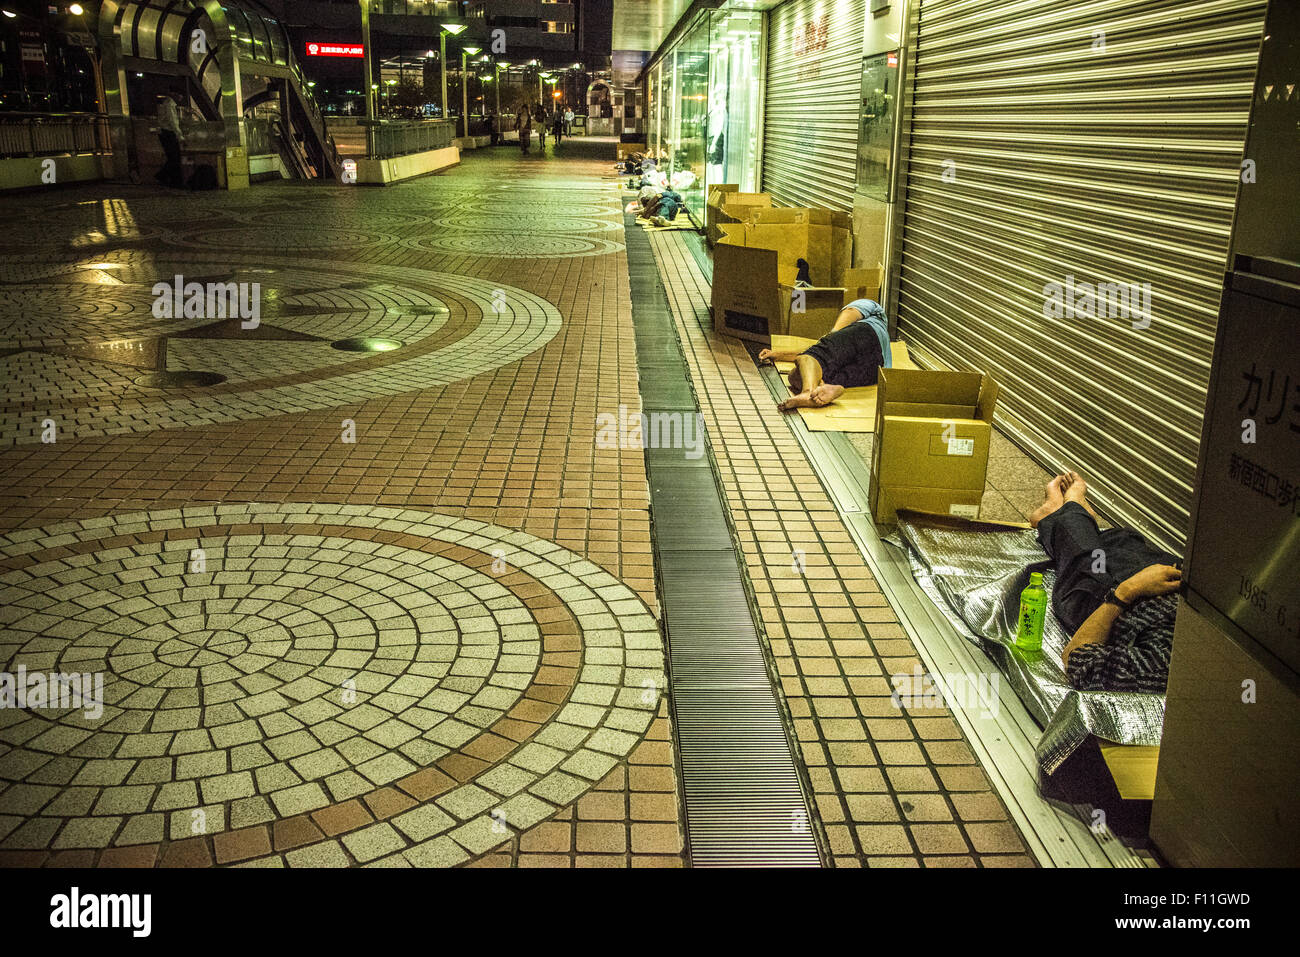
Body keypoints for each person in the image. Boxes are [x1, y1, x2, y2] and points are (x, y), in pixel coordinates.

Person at [1029, 472, 1181, 693]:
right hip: (1163, 576)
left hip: (1117, 597)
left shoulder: (1162, 666)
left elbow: (1078, 659)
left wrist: (1126, 592)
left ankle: (1058, 513)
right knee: (1123, 539)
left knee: (1083, 555)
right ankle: (1068, 516)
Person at [758, 298, 893, 411]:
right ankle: (825, 389)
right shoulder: (871, 350)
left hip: (869, 334)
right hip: (875, 371)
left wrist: (833, 334)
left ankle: (808, 393)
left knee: (808, 360)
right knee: (796, 376)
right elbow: (814, 351)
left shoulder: (872, 310)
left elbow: (851, 311)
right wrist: (777, 354)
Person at [155, 92, 184, 187]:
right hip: (168, 133)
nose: (181, 98)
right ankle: (170, 179)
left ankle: (166, 177)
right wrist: (180, 136)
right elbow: (173, 122)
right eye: (180, 95)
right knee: (175, 157)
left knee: (172, 158)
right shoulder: (170, 105)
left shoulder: (166, 103)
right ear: (175, 95)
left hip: (164, 133)